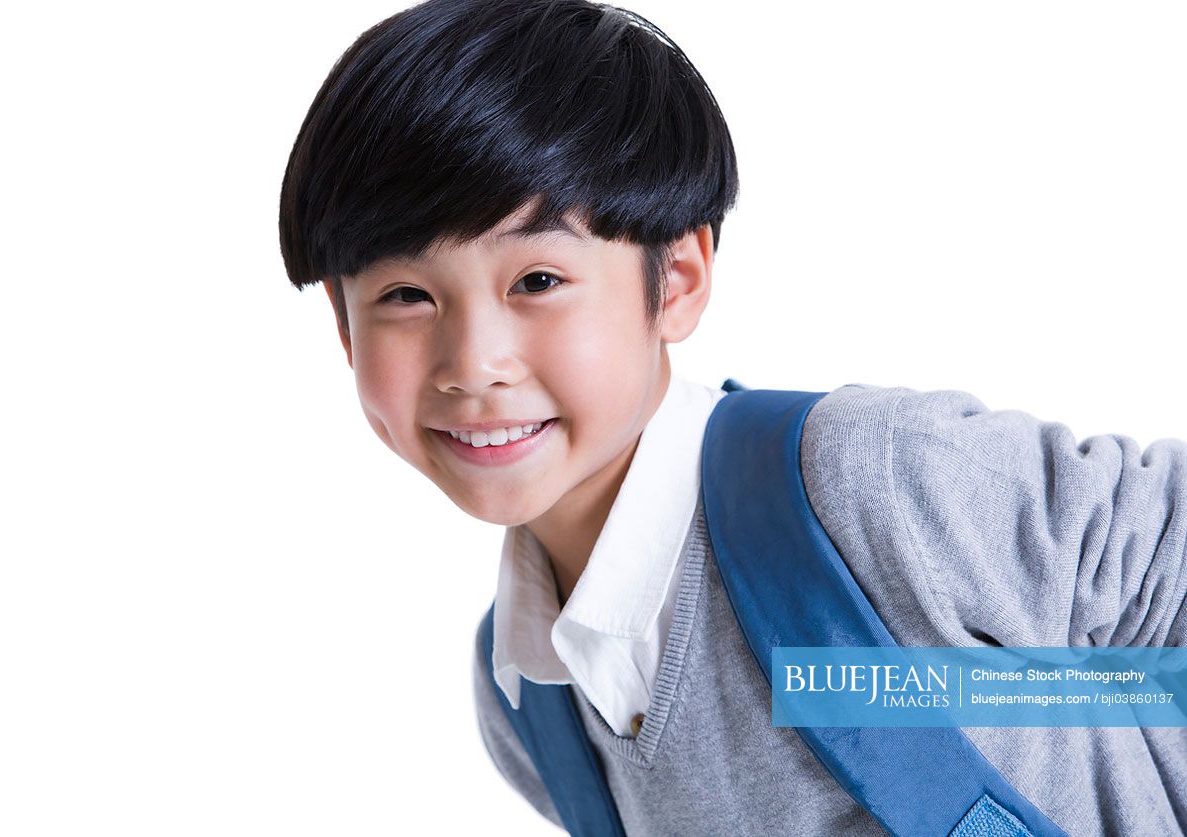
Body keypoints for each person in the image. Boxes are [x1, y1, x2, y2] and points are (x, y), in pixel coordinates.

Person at [277, 0, 1187, 833]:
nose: (474, 364)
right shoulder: (526, 700)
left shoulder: (871, 487)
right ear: (343, 326)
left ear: (674, 279)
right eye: (404, 293)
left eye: (538, 281)